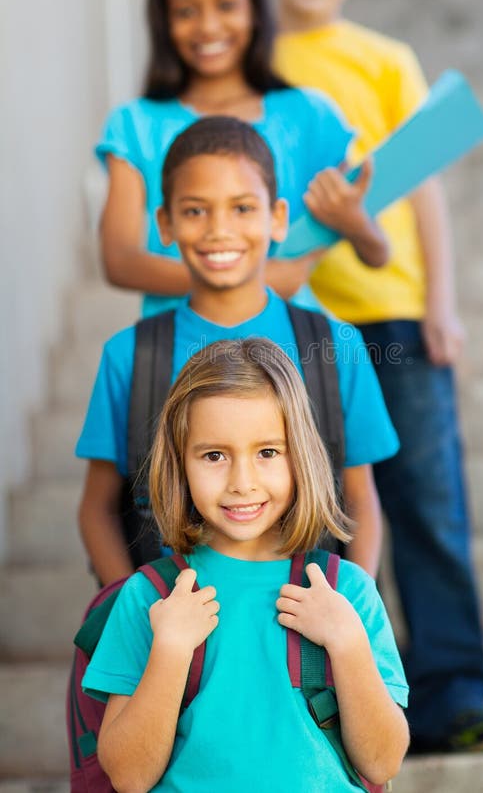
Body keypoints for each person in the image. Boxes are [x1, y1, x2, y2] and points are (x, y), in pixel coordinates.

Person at [263, 0, 483, 754]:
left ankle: (453, 693)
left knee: (429, 502)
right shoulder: (253, 65)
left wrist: (441, 304)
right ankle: (348, 692)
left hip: (397, 317)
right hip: (293, 327)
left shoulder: (384, 58)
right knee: (324, 510)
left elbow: (427, 182)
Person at [76, 116, 398, 586]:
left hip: (305, 634)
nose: (219, 230)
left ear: (279, 218)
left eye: (243, 208)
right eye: (194, 211)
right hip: (177, 637)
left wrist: (355, 608)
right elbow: (96, 509)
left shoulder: (336, 347)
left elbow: (361, 500)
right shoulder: (130, 356)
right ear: (164, 223)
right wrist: (131, 613)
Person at [81, 337, 410, 791]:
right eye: (214, 455)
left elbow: (383, 762)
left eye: (267, 453)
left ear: (301, 457)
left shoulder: (346, 592)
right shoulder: (151, 597)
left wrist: (349, 643)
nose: (242, 482)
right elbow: (128, 776)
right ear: (180, 463)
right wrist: (170, 651)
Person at [97, 0, 387, 317]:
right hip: (179, 359)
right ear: (163, 21)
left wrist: (354, 221)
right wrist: (253, 278)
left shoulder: (307, 116)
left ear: (254, 8)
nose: (208, 26)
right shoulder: (136, 126)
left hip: (288, 356)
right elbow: (119, 262)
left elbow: (377, 253)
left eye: (226, 5)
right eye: (186, 11)